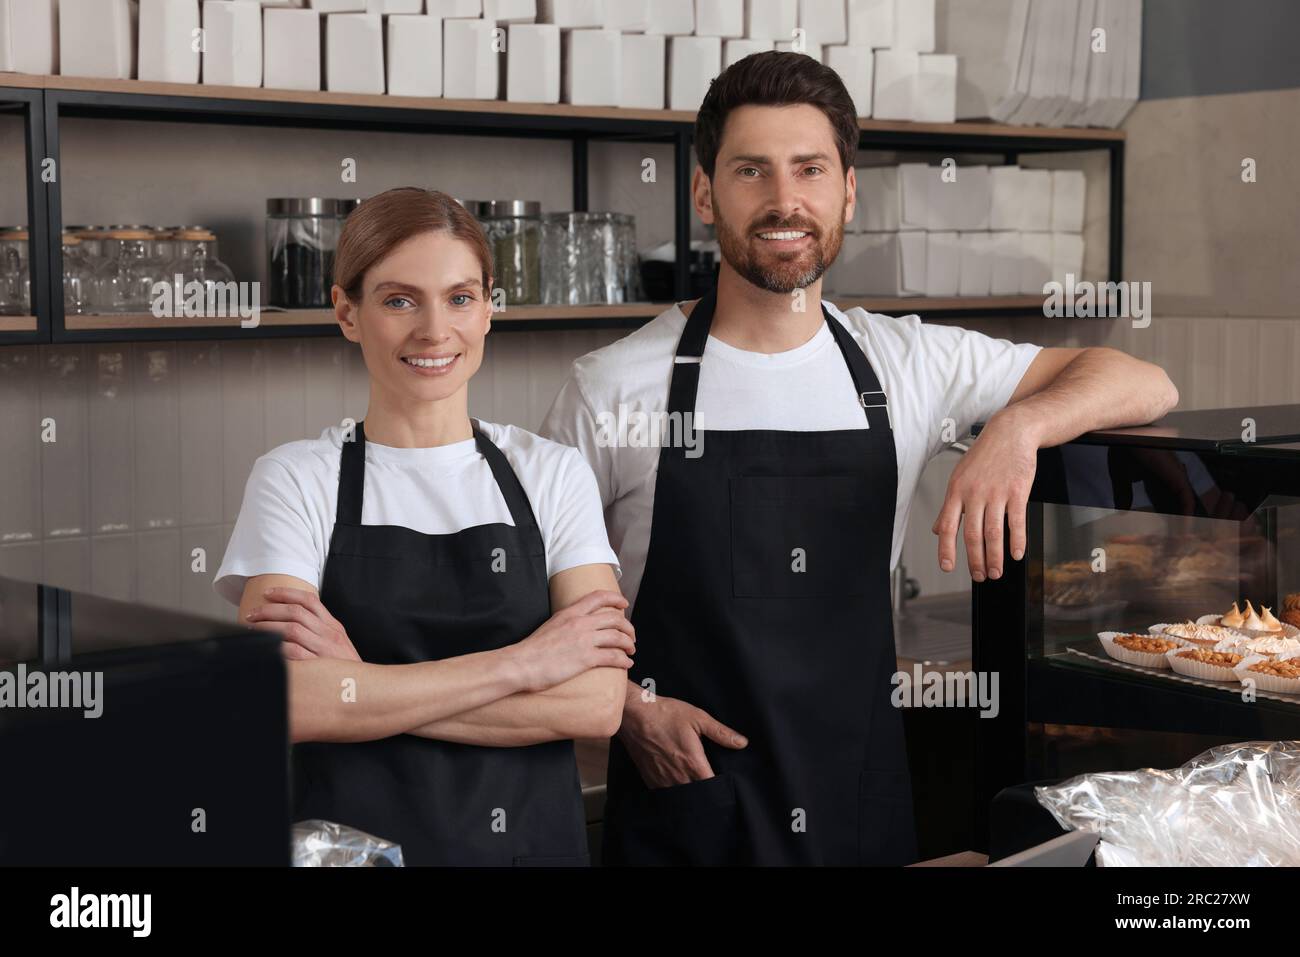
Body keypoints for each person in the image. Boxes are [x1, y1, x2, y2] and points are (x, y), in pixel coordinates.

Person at [541, 51, 1178, 866]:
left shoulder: (904, 363)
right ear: (705, 193)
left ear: (848, 189)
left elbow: (1142, 380)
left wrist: (1016, 430)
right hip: (687, 813)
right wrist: (628, 710)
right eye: (751, 171)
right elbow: (534, 606)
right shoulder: (610, 389)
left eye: (810, 169)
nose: (784, 201)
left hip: (858, 808)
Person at [215, 187, 634, 866]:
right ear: (347, 312)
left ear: (490, 307)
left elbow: (595, 703)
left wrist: (360, 685)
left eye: (460, 297)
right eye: (400, 299)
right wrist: (524, 665)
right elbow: (290, 702)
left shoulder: (551, 474)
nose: (436, 330)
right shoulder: (295, 478)